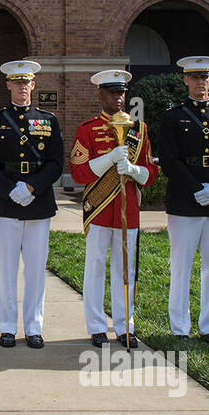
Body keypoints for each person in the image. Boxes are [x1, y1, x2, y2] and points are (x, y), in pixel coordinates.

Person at [155, 56, 209, 342]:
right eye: (194, 77)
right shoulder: (172, 116)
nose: (200, 82)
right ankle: (180, 327)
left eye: (205, 77)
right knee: (181, 265)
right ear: (185, 80)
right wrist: (194, 187)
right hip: (184, 198)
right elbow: (169, 158)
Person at [0, 61, 63, 348]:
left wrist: (32, 186)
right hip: (7, 202)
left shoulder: (48, 120)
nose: (22, 88)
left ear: (33, 85)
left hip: (38, 202)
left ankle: (34, 327)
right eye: (17, 83)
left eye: (26, 83)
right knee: (7, 269)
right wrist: (9, 189)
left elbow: (55, 163)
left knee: (36, 269)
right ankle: (6, 327)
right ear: (8, 86)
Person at [69, 69, 156, 348]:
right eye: (111, 93)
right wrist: (108, 159)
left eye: (121, 93)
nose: (117, 98)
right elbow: (78, 172)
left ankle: (124, 325)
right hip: (99, 206)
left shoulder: (139, 130)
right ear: (100, 95)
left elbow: (151, 171)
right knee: (94, 267)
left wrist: (133, 170)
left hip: (127, 208)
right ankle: (96, 326)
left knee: (125, 270)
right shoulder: (88, 128)